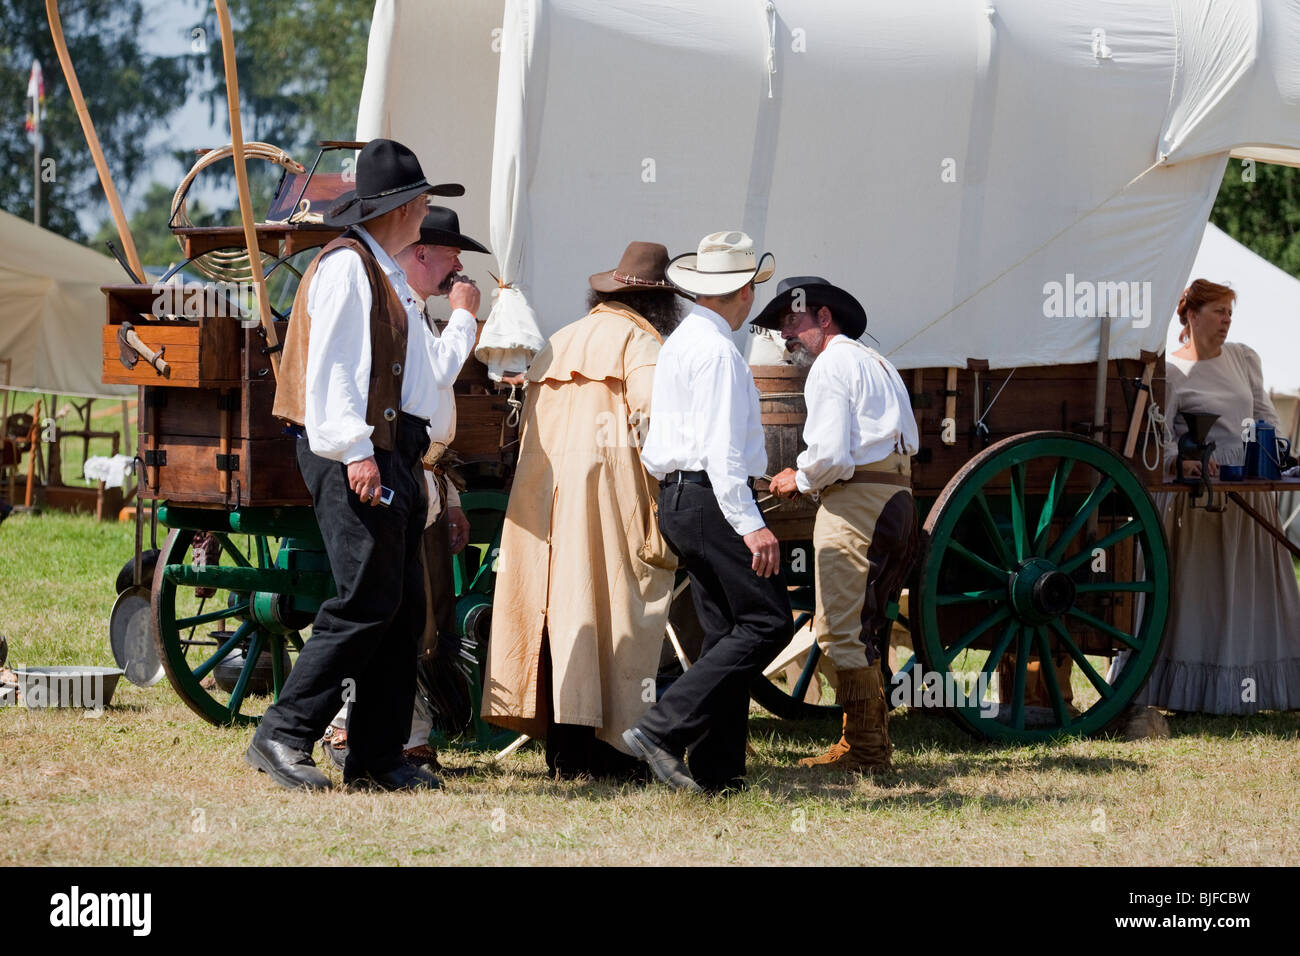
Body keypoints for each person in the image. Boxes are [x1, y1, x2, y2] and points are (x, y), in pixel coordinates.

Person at [246, 138, 475, 792]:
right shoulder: (348, 267)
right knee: (363, 604)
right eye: (423, 198)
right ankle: (284, 733)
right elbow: (334, 371)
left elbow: (427, 378)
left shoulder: (386, 274)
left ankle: (376, 757)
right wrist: (355, 452)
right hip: (356, 454)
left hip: (390, 451)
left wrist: (461, 328)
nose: (428, 207)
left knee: (397, 608)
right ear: (399, 207)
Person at [483, 241, 685, 779]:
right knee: (616, 617)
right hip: (612, 499)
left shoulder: (559, 340)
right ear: (661, 303)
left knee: (560, 618)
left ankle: (566, 750)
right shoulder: (644, 343)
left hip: (544, 498)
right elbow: (655, 424)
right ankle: (612, 750)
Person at [320, 206, 488, 772]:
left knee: (422, 618)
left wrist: (454, 500)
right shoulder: (405, 312)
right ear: (421, 255)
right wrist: (465, 317)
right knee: (386, 612)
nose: (459, 268)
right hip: (397, 476)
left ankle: (400, 737)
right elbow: (438, 377)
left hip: (427, 480)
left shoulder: (416, 313)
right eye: (451, 256)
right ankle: (344, 727)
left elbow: (436, 423)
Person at [627, 230, 794, 793]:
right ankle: (663, 729)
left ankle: (719, 770)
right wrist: (753, 525)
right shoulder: (719, 351)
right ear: (744, 291)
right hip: (710, 496)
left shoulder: (678, 342)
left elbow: (657, 443)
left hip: (680, 496)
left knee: (725, 631)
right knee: (769, 622)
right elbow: (724, 452)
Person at [762, 277, 919, 772]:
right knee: (867, 623)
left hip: (856, 504)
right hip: (896, 498)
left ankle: (866, 751)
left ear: (823, 317)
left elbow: (829, 455)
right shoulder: (879, 362)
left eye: (792, 321)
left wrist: (798, 477)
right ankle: (866, 743)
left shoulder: (830, 364)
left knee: (839, 629)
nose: (785, 334)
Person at [1131, 278, 1300, 714]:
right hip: (1197, 498)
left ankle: (1253, 688)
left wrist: (1276, 456)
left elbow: (1264, 415)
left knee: (1248, 588)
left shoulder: (1244, 359)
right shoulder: (1171, 371)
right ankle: (1190, 693)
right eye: (1218, 311)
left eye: (1229, 313)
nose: (1226, 320)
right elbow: (1161, 436)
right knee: (1202, 593)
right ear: (1191, 314)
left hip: (1248, 484)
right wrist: (1180, 462)